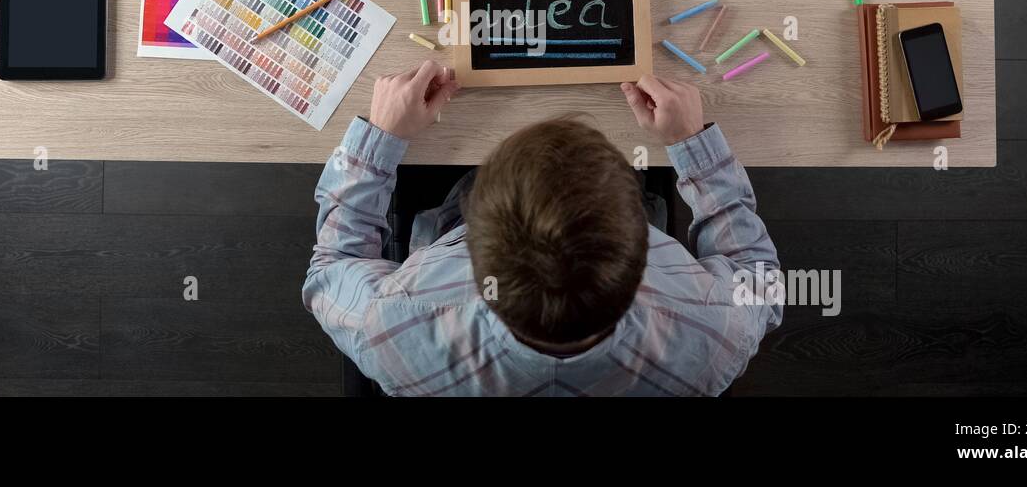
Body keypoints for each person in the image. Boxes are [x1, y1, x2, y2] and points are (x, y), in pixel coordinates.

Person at [302, 60, 782, 396]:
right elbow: (757, 275)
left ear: (473, 246)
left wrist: (379, 139)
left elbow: (334, 267)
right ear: (643, 245)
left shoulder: (391, 327)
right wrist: (694, 146)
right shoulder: (717, 331)